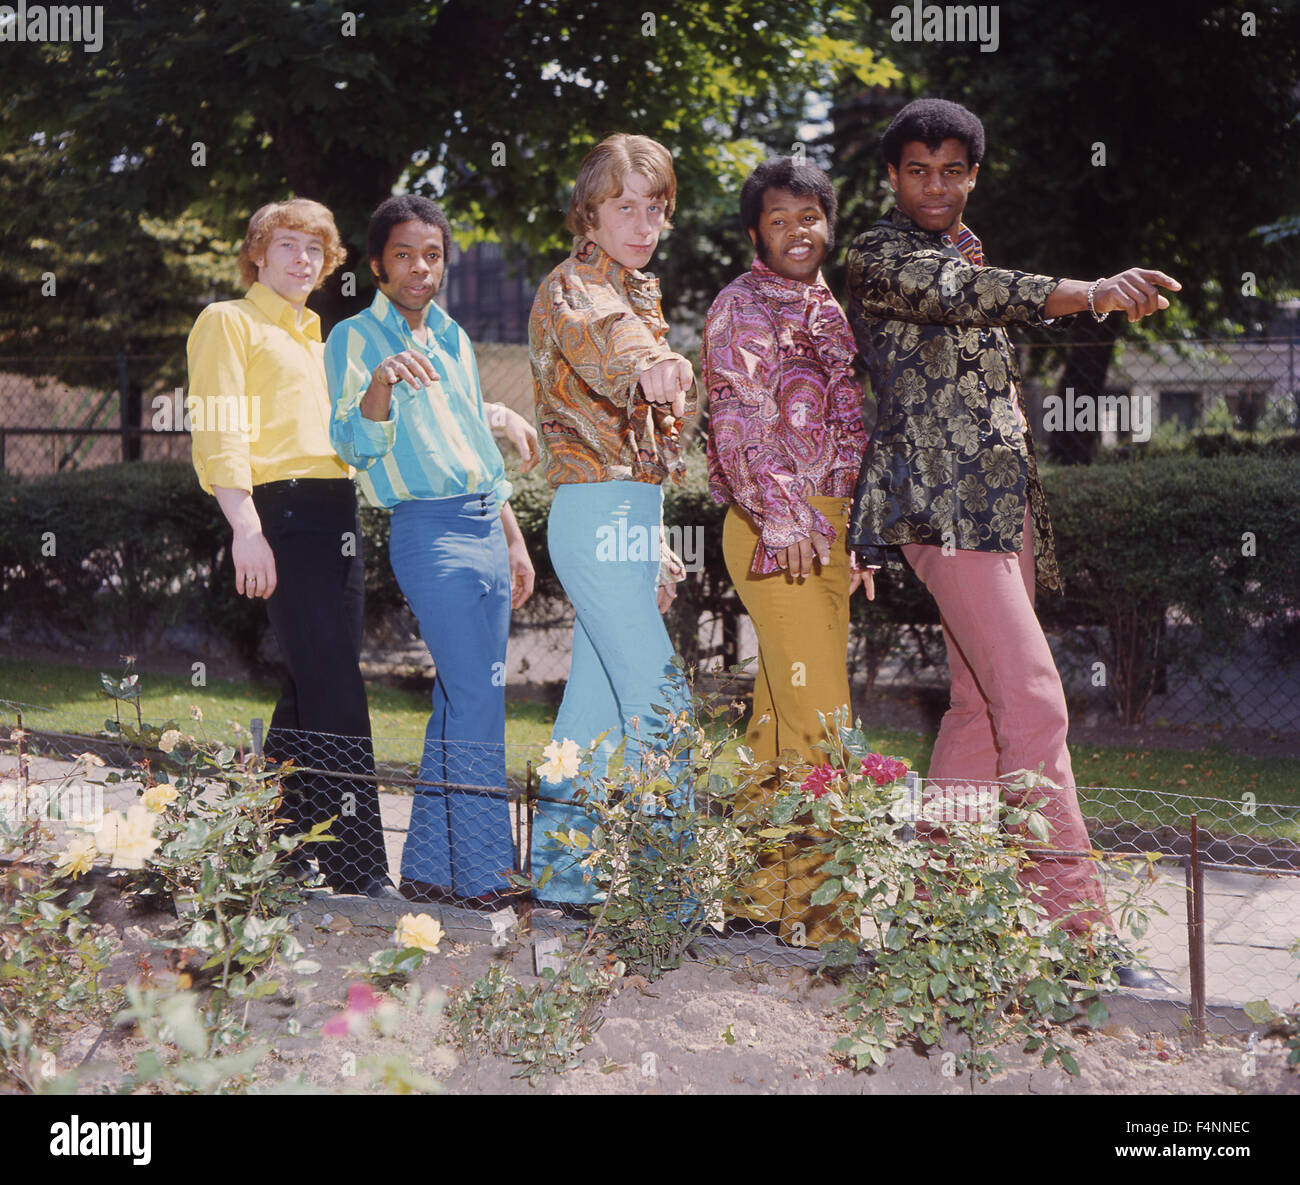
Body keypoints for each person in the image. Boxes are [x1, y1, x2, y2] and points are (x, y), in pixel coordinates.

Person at [844, 98, 1179, 982]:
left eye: (952, 170)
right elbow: (968, 297)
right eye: (917, 169)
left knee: (979, 709)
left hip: (1002, 510)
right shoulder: (882, 256)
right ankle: (1078, 937)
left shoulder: (969, 249)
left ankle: (933, 909)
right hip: (939, 508)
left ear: (973, 175)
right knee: (1035, 698)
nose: (934, 185)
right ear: (891, 176)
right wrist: (1091, 291)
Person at [325, 194, 538, 907]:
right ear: (378, 264)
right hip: (428, 533)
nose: (421, 268)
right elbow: (354, 443)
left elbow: (477, 450)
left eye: (433, 254)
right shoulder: (353, 339)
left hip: (485, 526)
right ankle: (486, 875)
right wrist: (382, 381)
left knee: (456, 701)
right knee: (480, 697)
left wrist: (513, 538)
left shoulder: (453, 336)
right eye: (405, 255)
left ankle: (429, 869)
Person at [187, 197, 397, 899]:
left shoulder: (319, 335)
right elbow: (219, 432)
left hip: (338, 508)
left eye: (315, 248)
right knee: (337, 686)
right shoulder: (228, 321)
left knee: (309, 686)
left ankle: (275, 846)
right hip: (282, 511)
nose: (302, 259)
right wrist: (246, 526)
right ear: (258, 252)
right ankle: (359, 863)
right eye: (287, 245)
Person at [703, 157, 873, 946]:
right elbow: (738, 423)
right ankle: (827, 915)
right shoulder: (740, 307)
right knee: (821, 722)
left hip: (831, 530)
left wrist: (857, 534)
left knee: (779, 720)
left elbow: (846, 429)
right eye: (780, 219)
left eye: (809, 216)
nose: (797, 231)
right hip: (778, 530)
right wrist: (785, 515)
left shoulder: (828, 306)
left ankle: (753, 899)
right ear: (754, 232)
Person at [527, 133, 695, 907]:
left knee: (589, 716)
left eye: (654, 208)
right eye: (623, 206)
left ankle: (562, 882)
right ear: (586, 214)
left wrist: (654, 540)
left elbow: (642, 445)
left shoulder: (638, 288)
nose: (642, 222)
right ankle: (672, 895)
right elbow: (605, 341)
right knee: (662, 704)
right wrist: (649, 364)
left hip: (627, 516)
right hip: (591, 517)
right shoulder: (576, 288)